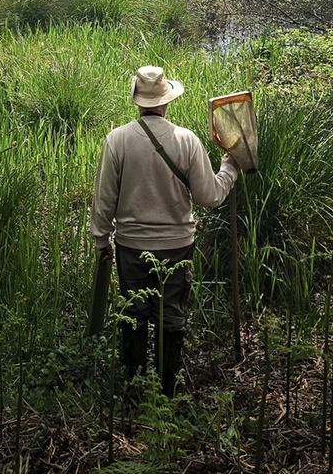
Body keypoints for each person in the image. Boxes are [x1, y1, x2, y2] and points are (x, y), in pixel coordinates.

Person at [90, 65, 240, 398]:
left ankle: (133, 390)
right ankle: (167, 392)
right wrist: (229, 169)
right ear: (166, 101)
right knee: (170, 315)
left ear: (137, 101)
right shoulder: (186, 140)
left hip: (130, 247)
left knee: (133, 311)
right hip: (177, 246)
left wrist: (101, 241)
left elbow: (104, 201)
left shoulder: (117, 140)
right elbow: (210, 197)